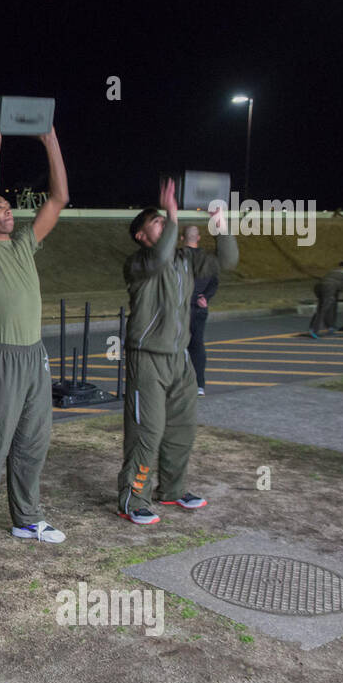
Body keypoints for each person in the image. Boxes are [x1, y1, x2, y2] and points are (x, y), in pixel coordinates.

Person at [0, 102, 69, 558]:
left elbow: (59, 198)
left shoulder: (24, 244)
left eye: (7, 206)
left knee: (32, 442)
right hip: (0, 357)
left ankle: (26, 518)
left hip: (34, 357)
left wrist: (49, 140)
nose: (5, 210)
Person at [117, 180, 238, 525]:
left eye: (164, 220)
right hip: (147, 358)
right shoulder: (138, 263)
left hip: (179, 358)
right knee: (147, 431)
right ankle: (132, 498)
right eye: (155, 222)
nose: (164, 224)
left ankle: (171, 489)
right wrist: (172, 213)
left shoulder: (187, 260)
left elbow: (227, 262)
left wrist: (222, 225)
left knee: (181, 428)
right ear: (141, 235)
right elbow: (160, 256)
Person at [183, 224, 220, 395]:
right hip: (200, 307)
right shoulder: (208, 259)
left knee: (178, 346)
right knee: (197, 345)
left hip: (181, 308)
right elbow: (214, 282)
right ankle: (199, 384)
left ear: (182, 238)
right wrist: (205, 297)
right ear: (198, 238)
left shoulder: (179, 257)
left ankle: (179, 383)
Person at [308, 261, 343, 338]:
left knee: (326, 307)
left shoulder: (333, 271)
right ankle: (314, 330)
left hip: (319, 287)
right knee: (324, 309)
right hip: (330, 288)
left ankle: (330, 326)